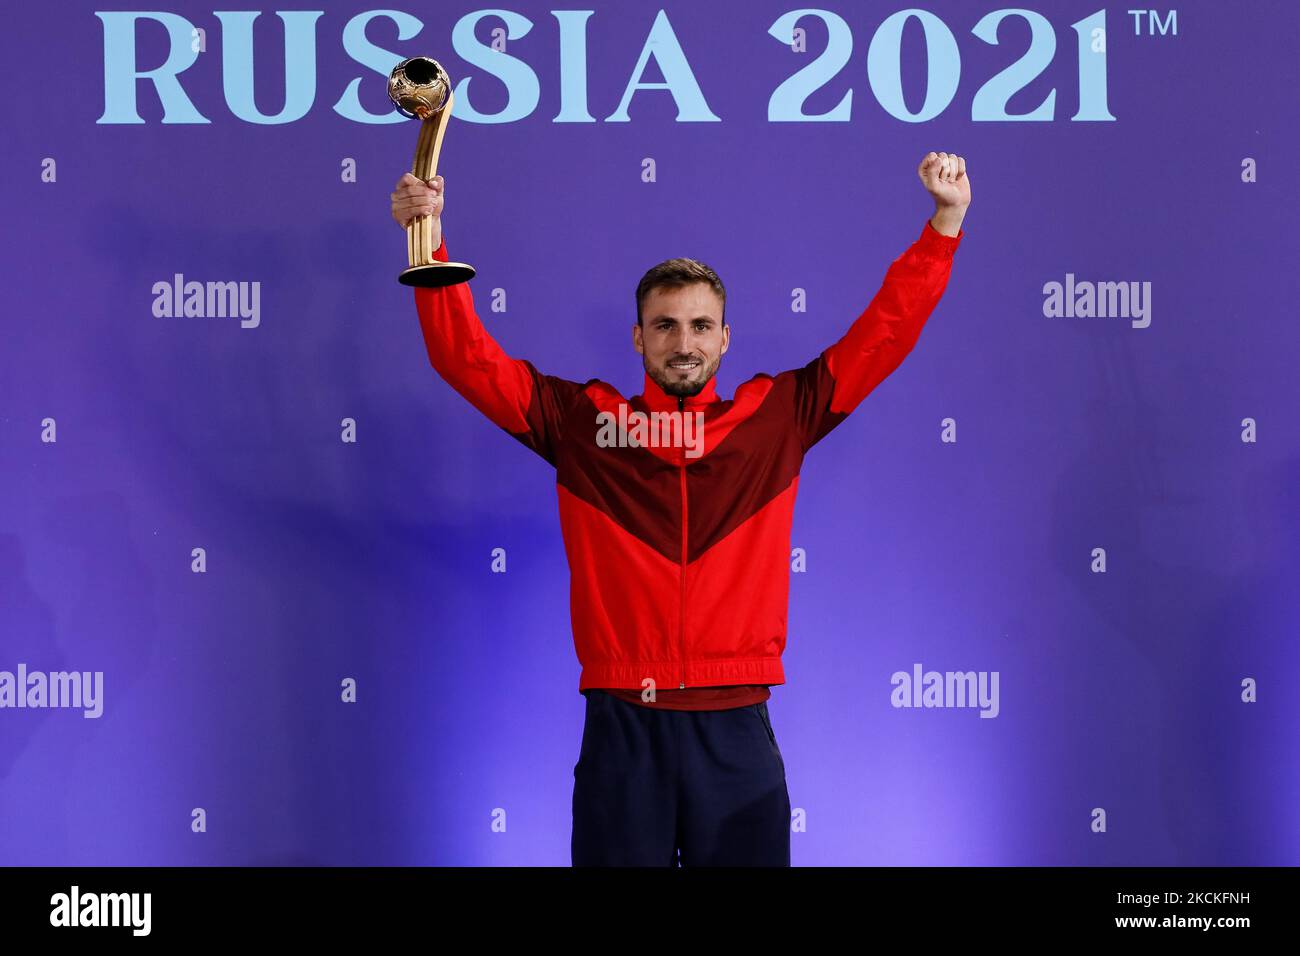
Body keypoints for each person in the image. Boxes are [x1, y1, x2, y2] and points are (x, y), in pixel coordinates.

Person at [390, 151, 970, 866]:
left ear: (725, 338)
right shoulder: (582, 419)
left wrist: (944, 226)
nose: (684, 341)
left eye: (701, 325)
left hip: (736, 731)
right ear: (638, 337)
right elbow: (465, 359)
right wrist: (430, 237)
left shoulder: (778, 415)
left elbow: (883, 333)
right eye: (665, 325)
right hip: (622, 726)